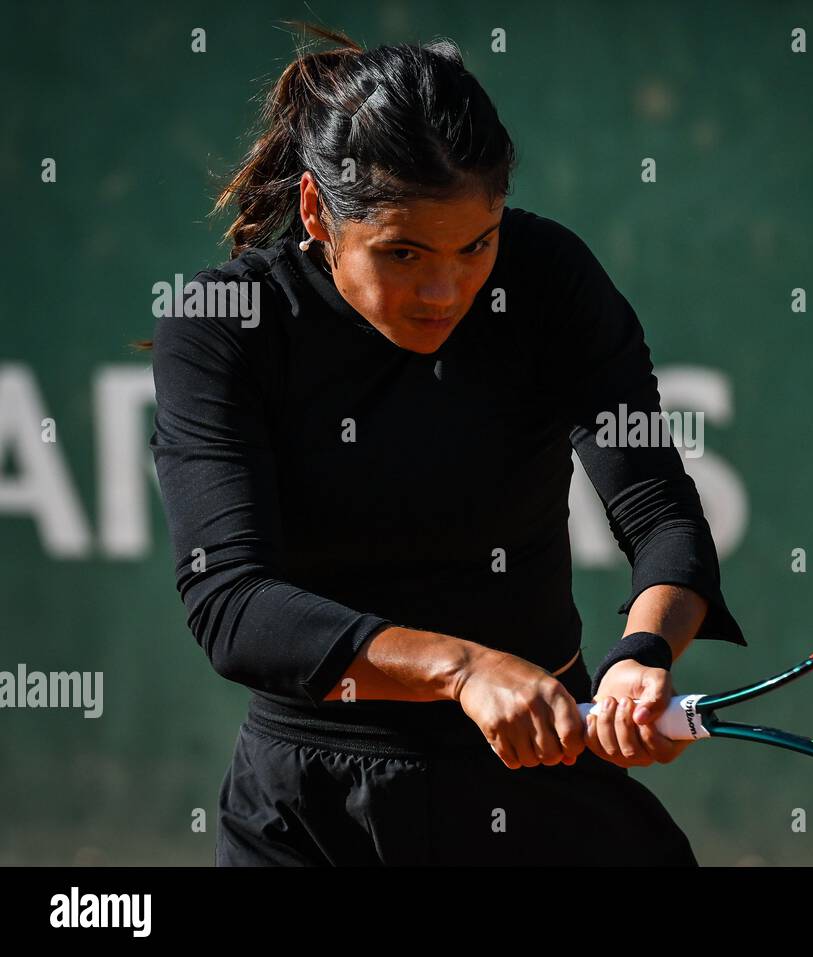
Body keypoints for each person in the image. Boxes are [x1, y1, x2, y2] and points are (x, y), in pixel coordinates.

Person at [145, 25, 747, 866]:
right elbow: (234, 604)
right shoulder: (226, 329)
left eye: (476, 246)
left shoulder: (551, 280)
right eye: (403, 253)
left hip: (540, 786)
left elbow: (660, 513)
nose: (445, 289)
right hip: (312, 812)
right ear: (318, 212)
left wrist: (641, 657)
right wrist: (461, 670)